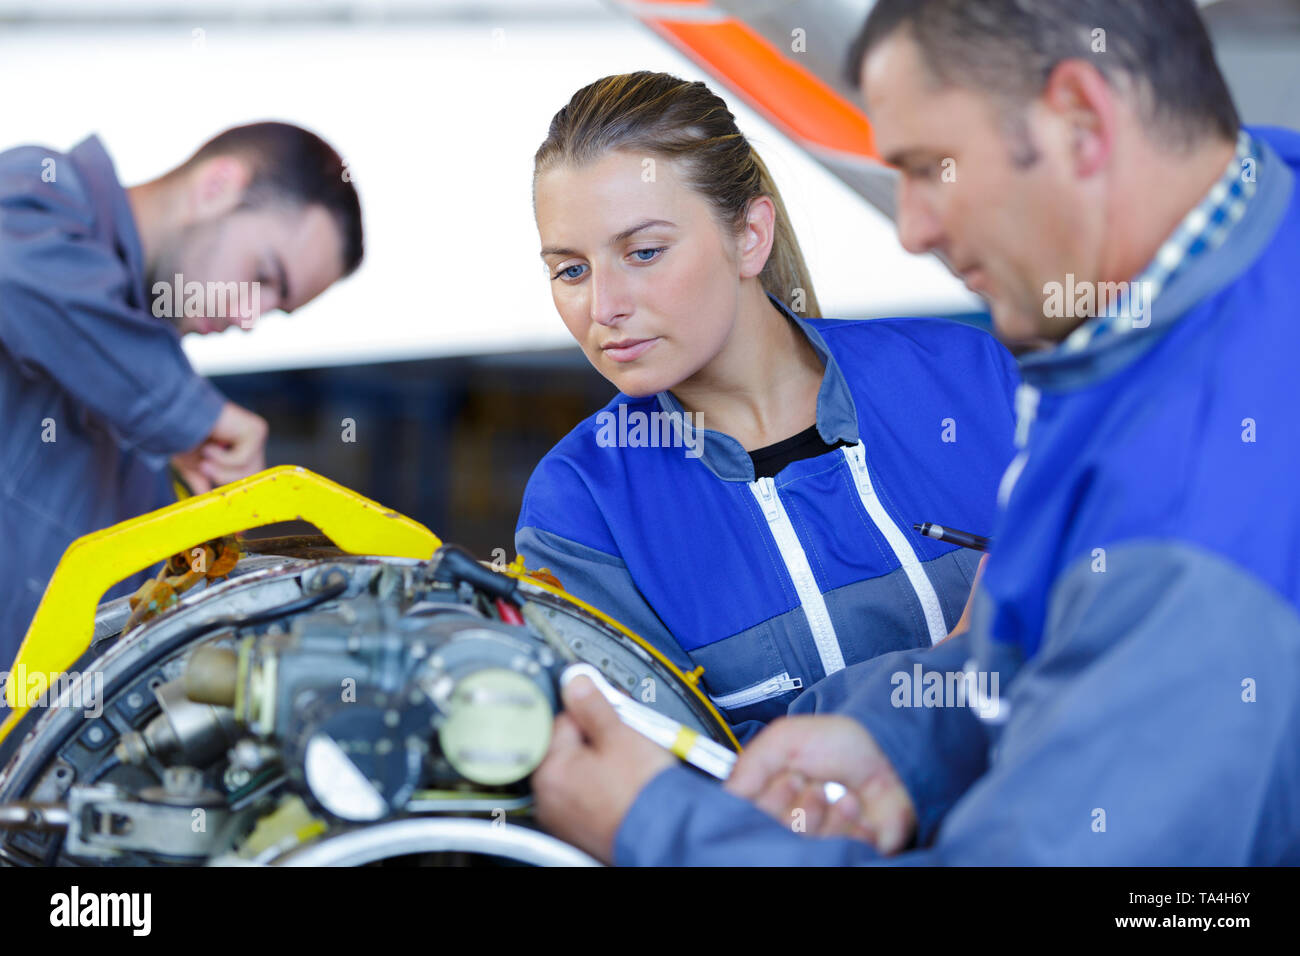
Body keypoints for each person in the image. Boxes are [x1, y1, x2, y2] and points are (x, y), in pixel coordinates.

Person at [531, 0, 1300, 865]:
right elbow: (1027, 640)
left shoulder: (1192, 506)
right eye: (568, 267)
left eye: (932, 169)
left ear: (1082, 121)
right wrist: (900, 737)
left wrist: (657, 829)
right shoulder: (1159, 326)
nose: (912, 229)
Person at [517, 71, 1019, 742]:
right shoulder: (580, 511)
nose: (604, 307)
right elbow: (671, 790)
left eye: (643, 252)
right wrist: (958, 669)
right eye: (570, 270)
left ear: (750, 236)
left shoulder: (976, 380)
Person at [0, 122, 364, 663]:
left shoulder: (150, 435)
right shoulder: (36, 196)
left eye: (274, 309)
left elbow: (125, 627)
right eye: (263, 276)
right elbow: (16, 275)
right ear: (216, 186)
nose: (248, 318)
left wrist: (205, 538)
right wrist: (195, 416)